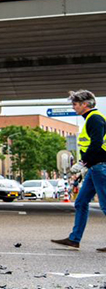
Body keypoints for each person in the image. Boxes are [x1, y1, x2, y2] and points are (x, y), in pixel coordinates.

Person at [53, 90, 106, 249]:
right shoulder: (91, 119)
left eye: (75, 104)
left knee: (105, 205)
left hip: (100, 167)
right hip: (94, 167)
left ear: (85, 104)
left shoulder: (95, 119)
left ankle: (74, 238)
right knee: (81, 201)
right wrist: (86, 166)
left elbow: (96, 144)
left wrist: (83, 163)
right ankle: (74, 239)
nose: (74, 107)